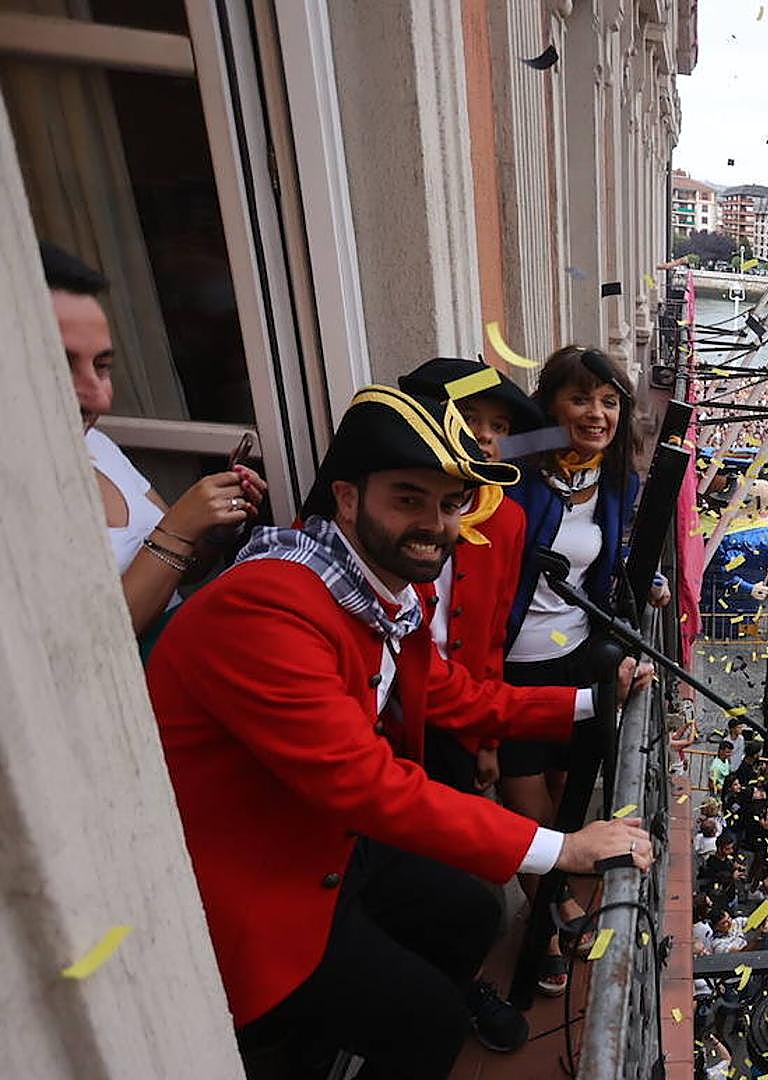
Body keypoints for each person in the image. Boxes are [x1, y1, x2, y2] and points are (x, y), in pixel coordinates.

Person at [145, 384, 652, 1079]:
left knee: (472, 915)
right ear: (349, 499)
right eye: (408, 498)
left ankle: (347, 1031)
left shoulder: (376, 586)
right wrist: (560, 847)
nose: (435, 524)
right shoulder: (267, 607)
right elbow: (363, 783)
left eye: (450, 504)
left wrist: (593, 700)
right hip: (257, 873)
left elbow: (452, 696)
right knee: (427, 1028)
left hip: (326, 835)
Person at [498, 344, 665, 995]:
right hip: (511, 667)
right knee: (524, 806)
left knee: (568, 793)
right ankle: (549, 918)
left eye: (609, 401)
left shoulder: (614, 480)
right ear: (550, 406)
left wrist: (644, 580)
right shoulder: (518, 480)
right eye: (580, 399)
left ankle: (560, 883)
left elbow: (607, 562)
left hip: (575, 659)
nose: (596, 414)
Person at [44, 241, 264, 639]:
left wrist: (215, 524)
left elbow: (183, 571)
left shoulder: (97, 445)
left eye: (103, 366)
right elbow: (98, 648)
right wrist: (180, 526)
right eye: (62, 365)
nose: (100, 397)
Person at [396, 357, 547, 798]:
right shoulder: (388, 503)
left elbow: (493, 637)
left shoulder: (507, 518)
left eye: (499, 427)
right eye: (469, 417)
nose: (485, 435)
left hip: (458, 717)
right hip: (391, 706)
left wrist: (487, 741)